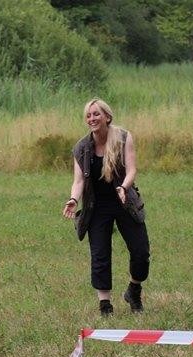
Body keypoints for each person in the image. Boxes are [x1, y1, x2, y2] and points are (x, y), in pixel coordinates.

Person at [62, 98, 150, 316]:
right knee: (100, 256)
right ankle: (105, 306)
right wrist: (73, 199)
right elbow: (79, 181)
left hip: (124, 201)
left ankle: (134, 290)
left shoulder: (123, 137)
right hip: (97, 206)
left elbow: (131, 169)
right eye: (88, 115)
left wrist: (124, 187)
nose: (92, 118)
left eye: (96, 114)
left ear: (107, 117)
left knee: (141, 252)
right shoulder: (81, 148)